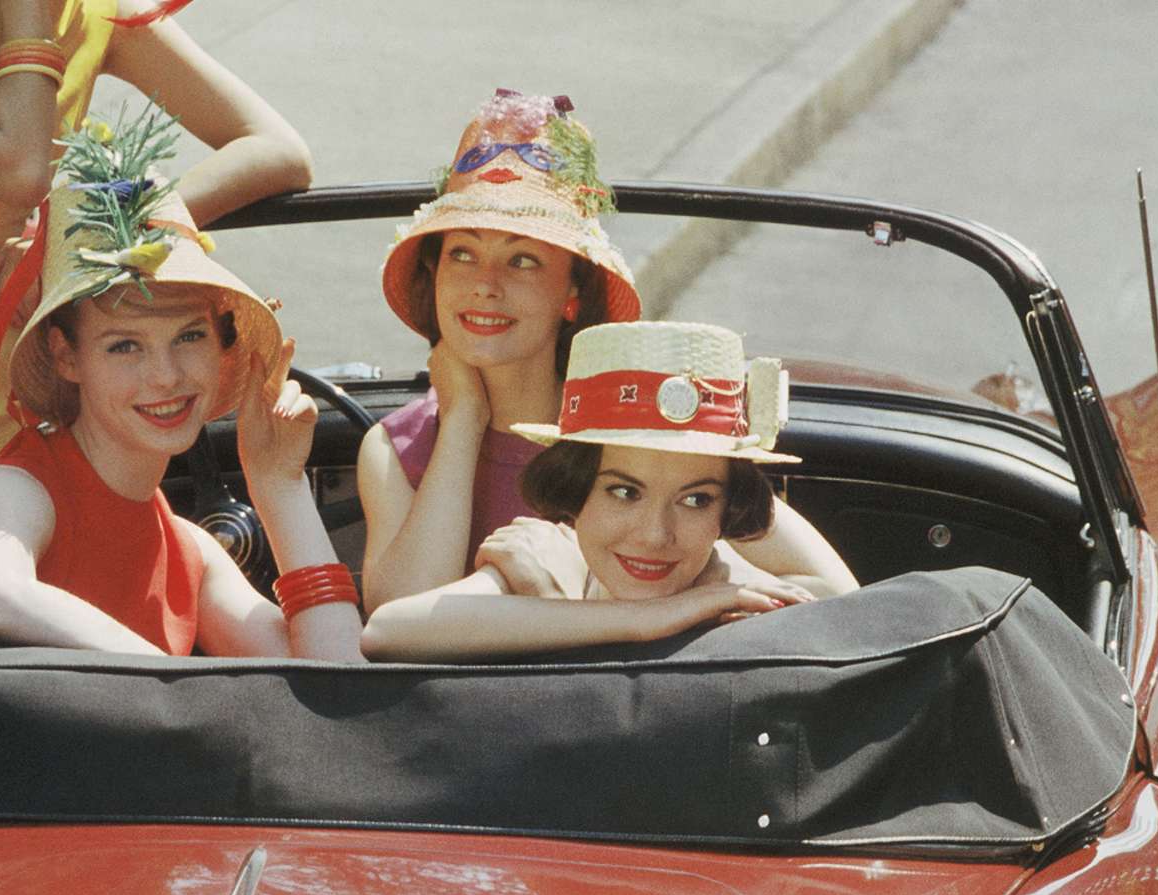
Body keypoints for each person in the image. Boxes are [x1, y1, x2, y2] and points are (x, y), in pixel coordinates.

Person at [0, 0, 313, 576]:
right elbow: (18, 168)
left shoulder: (96, 10)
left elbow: (276, 149)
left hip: (11, 415)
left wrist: (86, 235)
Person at [358, 89, 855, 612]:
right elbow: (399, 632)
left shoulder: (639, 413)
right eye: (463, 253)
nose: (484, 285)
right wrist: (462, 419)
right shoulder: (396, 447)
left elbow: (840, 598)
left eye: (522, 260)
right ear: (433, 273)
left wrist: (709, 587)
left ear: (573, 291)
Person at [0, 111, 361, 660]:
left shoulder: (190, 552)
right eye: (124, 346)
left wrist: (280, 487)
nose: (166, 375)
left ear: (222, 346)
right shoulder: (14, 488)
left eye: (189, 336)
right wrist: (178, 686)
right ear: (65, 356)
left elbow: (333, 679)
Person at [363, 321, 820, 662]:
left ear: (728, 510)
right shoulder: (552, 556)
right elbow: (388, 632)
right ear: (575, 491)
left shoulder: (742, 594)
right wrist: (646, 621)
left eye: (695, 499)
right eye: (624, 493)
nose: (654, 536)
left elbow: (854, 613)